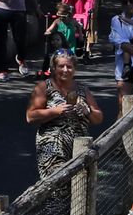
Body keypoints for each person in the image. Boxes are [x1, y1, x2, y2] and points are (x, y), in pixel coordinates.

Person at [26, 50, 103, 178]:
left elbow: (98, 118)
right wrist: (55, 111)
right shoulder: (44, 87)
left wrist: (87, 111)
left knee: (80, 182)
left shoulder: (82, 89)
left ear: (75, 68)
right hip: (52, 147)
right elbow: (30, 116)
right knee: (57, 182)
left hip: (79, 146)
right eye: (61, 66)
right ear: (54, 68)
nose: (65, 70)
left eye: (69, 66)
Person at [44, 2, 83, 75]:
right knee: (59, 57)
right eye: (60, 16)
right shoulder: (57, 21)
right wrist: (48, 31)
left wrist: (80, 35)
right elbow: (50, 29)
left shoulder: (72, 21)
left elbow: (79, 26)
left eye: (63, 16)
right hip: (60, 43)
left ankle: (69, 70)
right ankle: (56, 69)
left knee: (70, 57)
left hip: (70, 43)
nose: (62, 18)